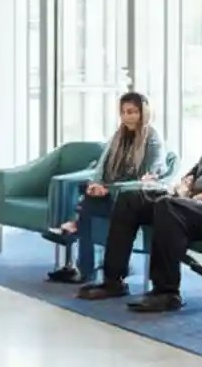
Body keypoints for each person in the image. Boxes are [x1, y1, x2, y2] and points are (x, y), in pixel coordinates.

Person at [77, 97, 202, 313]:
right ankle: (113, 280)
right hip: (188, 202)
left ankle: (167, 293)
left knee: (167, 206)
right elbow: (191, 175)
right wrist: (184, 186)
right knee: (130, 200)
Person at [41, 92, 166, 284]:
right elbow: (102, 165)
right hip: (111, 195)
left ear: (144, 112)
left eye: (132, 112)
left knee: (87, 208)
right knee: (88, 199)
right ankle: (81, 261)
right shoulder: (118, 137)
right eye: (124, 112)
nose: (127, 116)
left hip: (132, 199)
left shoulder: (153, 139)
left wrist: (110, 190)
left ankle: (79, 258)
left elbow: (149, 177)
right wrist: (96, 184)